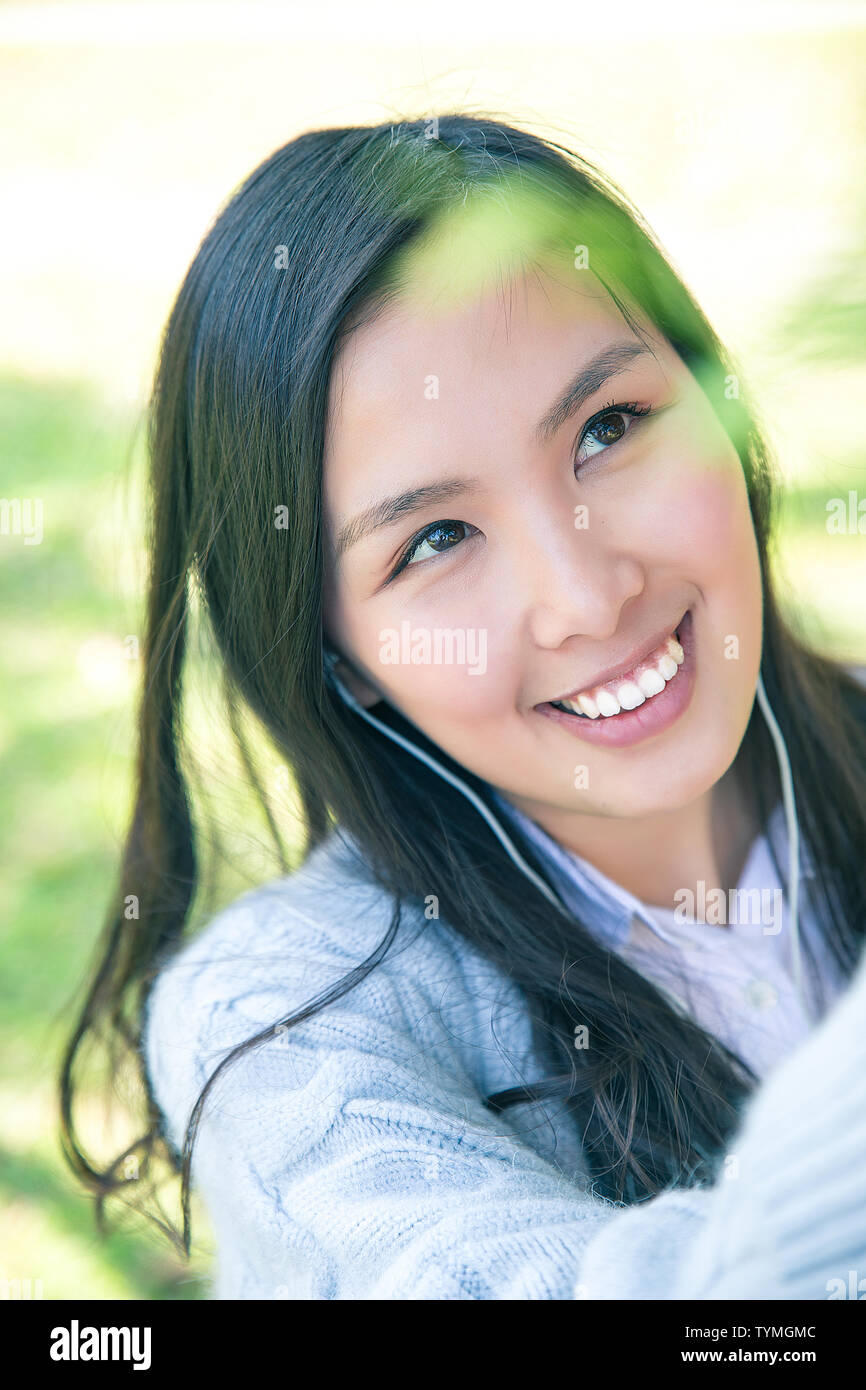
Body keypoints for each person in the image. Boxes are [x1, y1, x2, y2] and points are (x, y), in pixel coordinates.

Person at [60, 113, 866, 1300]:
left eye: (610, 429)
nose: (585, 597)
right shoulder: (286, 1024)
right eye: (435, 538)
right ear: (336, 655)